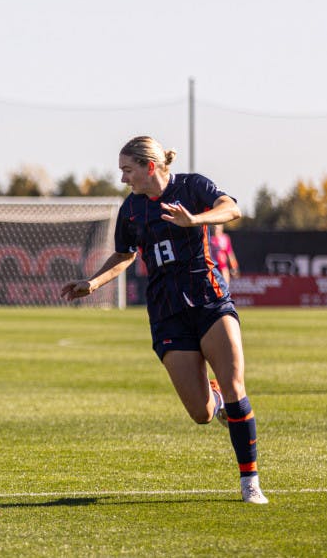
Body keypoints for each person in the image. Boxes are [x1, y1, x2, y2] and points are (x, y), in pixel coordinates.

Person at [60, 136, 268, 504]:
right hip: (167, 313)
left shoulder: (191, 186)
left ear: (149, 167)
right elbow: (124, 255)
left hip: (209, 299)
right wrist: (92, 282)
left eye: (128, 170)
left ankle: (249, 480)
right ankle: (217, 403)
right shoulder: (131, 211)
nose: (123, 178)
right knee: (202, 414)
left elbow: (232, 209)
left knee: (236, 384)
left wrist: (196, 220)